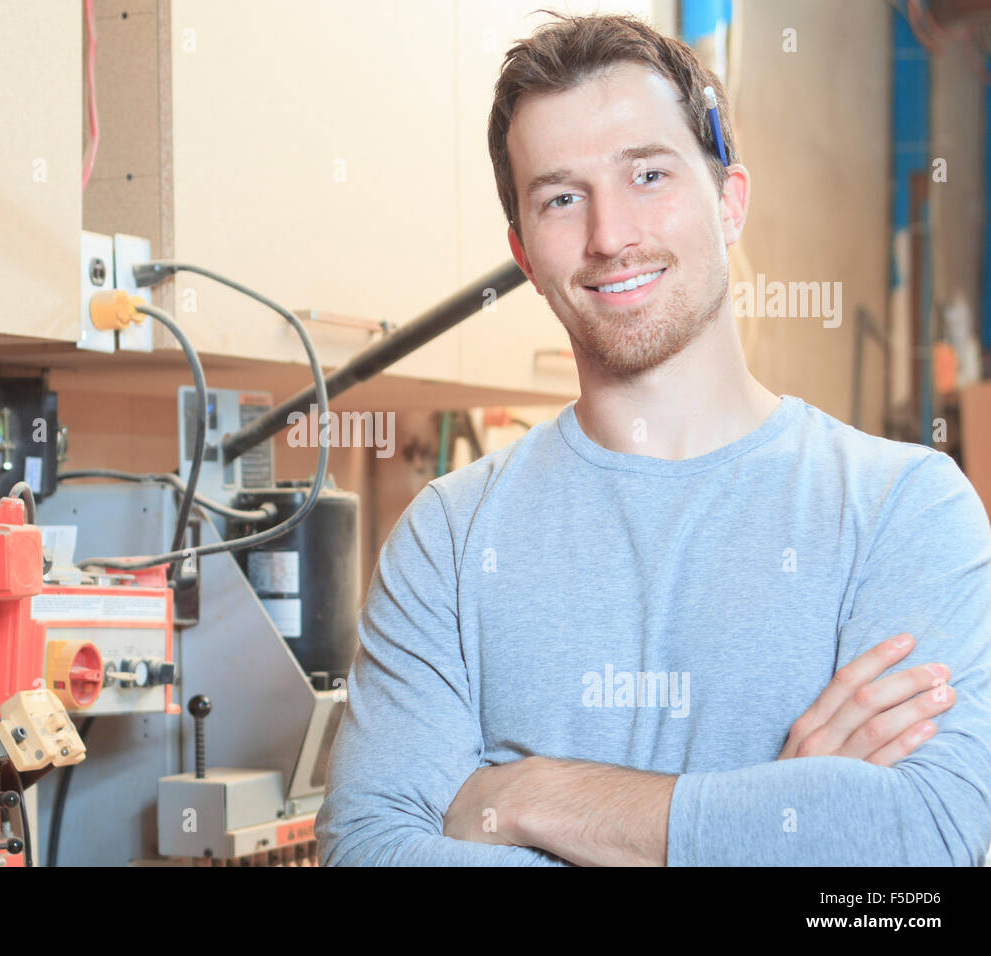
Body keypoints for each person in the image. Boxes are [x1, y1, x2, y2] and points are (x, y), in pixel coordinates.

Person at [315, 12, 991, 865]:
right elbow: (367, 853)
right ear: (525, 254)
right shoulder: (448, 540)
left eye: (648, 175)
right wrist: (772, 823)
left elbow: (923, 851)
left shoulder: (904, 508)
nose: (610, 236)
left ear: (730, 201)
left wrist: (532, 796)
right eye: (562, 197)